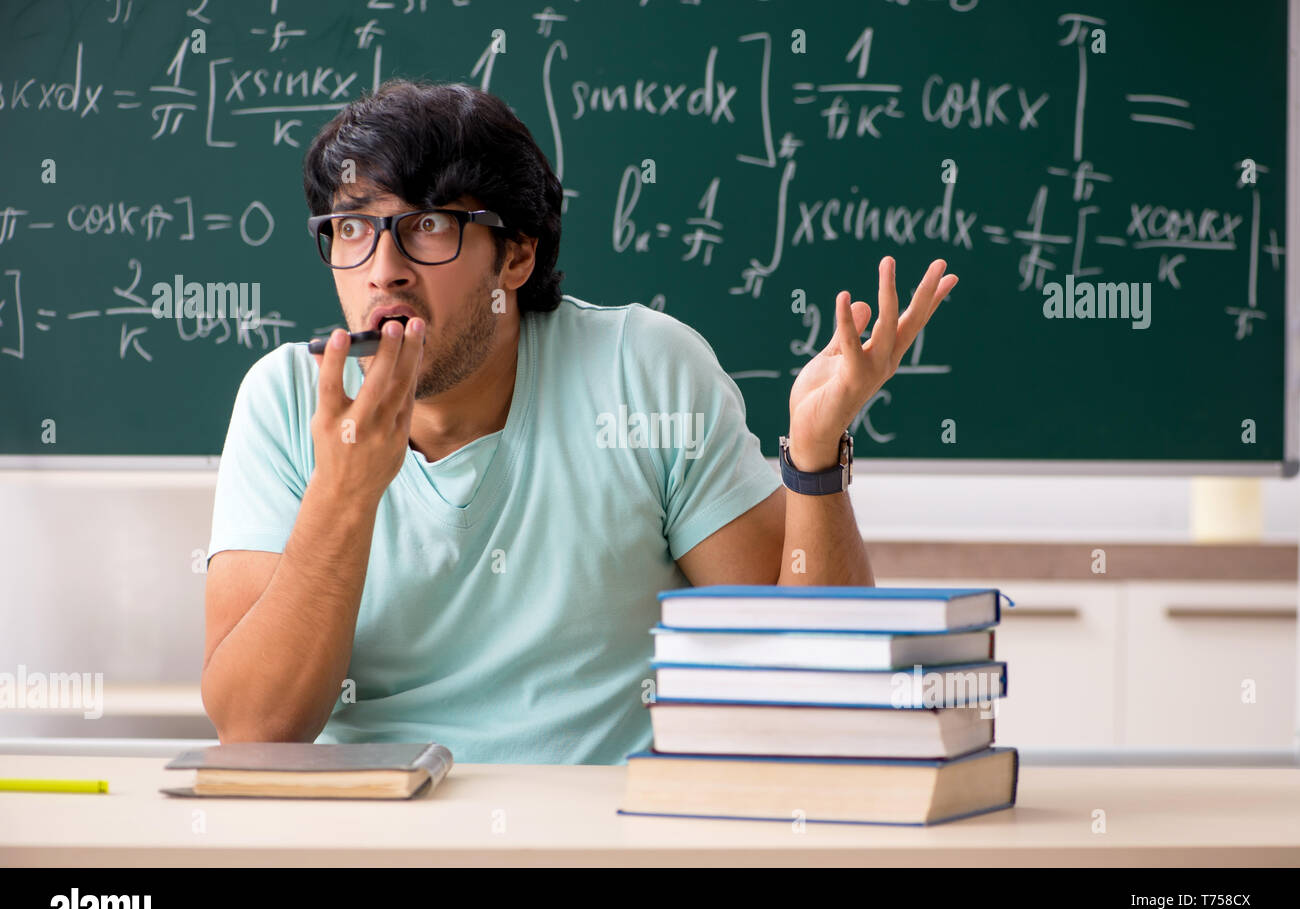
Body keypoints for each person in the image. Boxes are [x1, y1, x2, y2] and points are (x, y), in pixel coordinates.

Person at [201, 80, 958, 763]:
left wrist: (816, 459)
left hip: (608, 831)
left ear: (517, 256)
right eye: (353, 228)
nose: (382, 269)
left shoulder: (642, 370)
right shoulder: (284, 402)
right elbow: (256, 729)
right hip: (375, 831)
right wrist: (345, 493)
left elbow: (810, 675)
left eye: (427, 225)